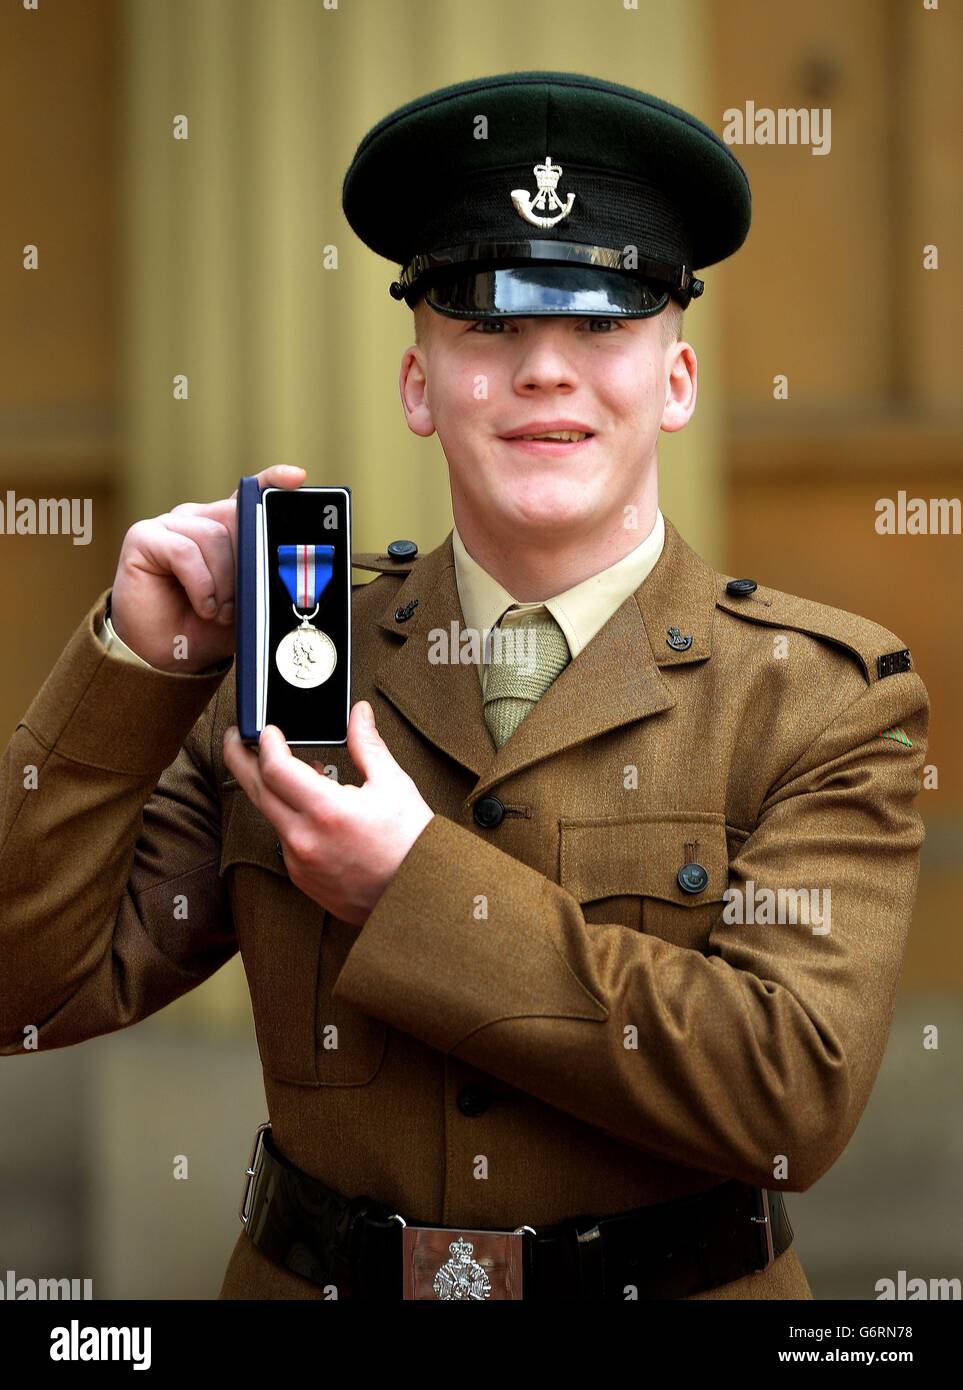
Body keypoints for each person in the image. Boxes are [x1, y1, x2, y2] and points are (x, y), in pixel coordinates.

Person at [0, 71, 928, 1302]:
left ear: (679, 379)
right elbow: (29, 991)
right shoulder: (294, 664)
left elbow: (791, 1098)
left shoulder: (820, 698)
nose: (546, 370)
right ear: (418, 385)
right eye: (487, 320)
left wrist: (410, 887)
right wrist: (136, 663)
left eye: (603, 320)